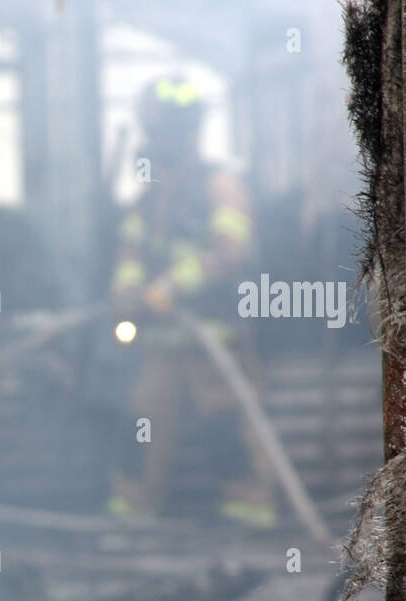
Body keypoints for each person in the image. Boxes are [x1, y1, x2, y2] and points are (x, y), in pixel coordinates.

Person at [107, 75, 275, 527]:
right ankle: (133, 514)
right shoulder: (154, 194)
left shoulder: (218, 185)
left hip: (213, 338)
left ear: (184, 131)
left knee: (227, 426)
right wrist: (127, 288)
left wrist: (172, 286)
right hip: (162, 341)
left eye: (163, 130)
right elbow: (131, 247)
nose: (156, 140)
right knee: (142, 423)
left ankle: (249, 515)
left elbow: (228, 250)